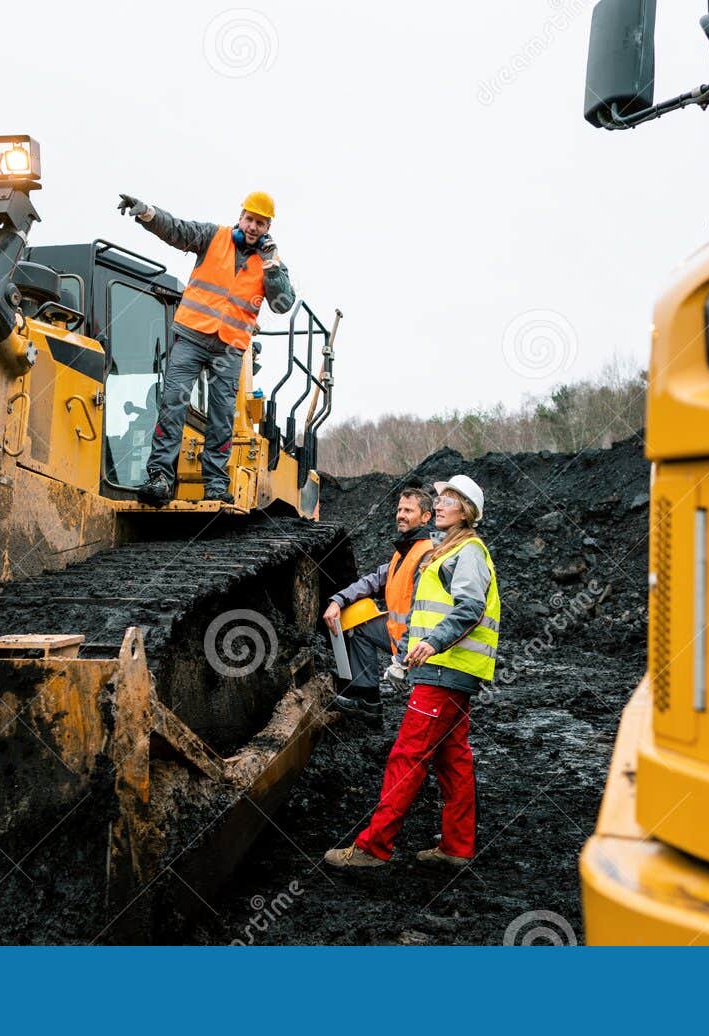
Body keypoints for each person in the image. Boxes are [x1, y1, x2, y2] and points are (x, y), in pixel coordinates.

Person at [324, 475, 500, 870]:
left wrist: (432, 645)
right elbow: (421, 615)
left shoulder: (467, 552)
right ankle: (457, 846)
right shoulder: (444, 551)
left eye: (448, 499)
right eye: (438, 499)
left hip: (444, 670)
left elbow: (469, 608)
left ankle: (372, 848)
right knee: (452, 759)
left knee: (407, 756)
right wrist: (404, 658)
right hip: (446, 672)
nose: (439, 505)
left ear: (466, 511)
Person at [116, 189, 295, 504]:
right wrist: (147, 213)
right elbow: (177, 230)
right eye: (250, 219)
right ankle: (159, 477)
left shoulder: (271, 262)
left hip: (230, 349)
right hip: (192, 336)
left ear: (268, 228)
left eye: (261, 223)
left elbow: (283, 304)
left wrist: (272, 266)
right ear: (241, 217)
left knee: (222, 417)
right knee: (173, 403)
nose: (254, 227)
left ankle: (215, 484)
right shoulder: (214, 237)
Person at [322, 487, 435, 716]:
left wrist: (402, 660)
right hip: (400, 634)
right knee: (360, 624)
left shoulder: (426, 554)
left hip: (420, 642)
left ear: (426, 517)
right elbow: (373, 580)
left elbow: (422, 612)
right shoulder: (405, 551)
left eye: (408, 510)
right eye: (399, 509)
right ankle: (368, 699)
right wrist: (338, 600)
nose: (401, 514)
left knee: (421, 713)